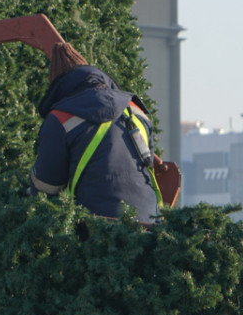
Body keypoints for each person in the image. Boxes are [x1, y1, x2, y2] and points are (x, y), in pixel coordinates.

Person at [29, 43, 166, 222]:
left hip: (95, 228)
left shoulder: (60, 119)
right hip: (149, 221)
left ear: (59, 87)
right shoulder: (135, 111)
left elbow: (47, 186)